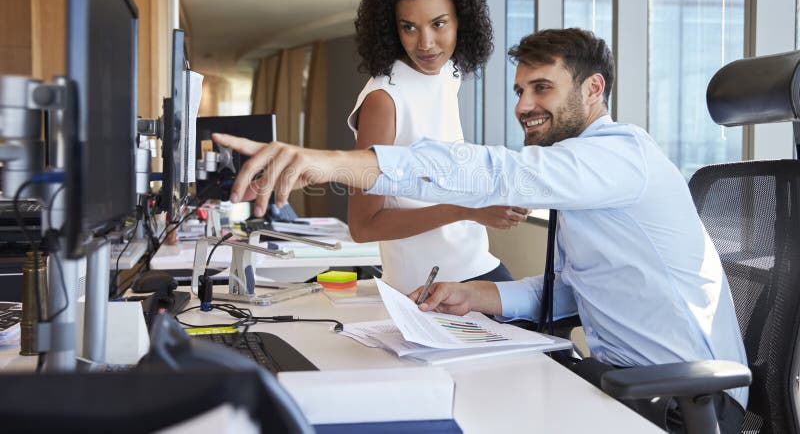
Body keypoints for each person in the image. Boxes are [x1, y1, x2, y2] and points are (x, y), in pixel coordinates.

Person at [212, 28, 748, 433]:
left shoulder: (621, 156)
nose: (522, 107)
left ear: (594, 89)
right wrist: (478, 295)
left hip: (683, 399)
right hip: (622, 382)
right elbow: (578, 287)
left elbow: (498, 172)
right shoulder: (580, 171)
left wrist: (335, 164)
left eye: (541, 88)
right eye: (519, 90)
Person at [345, 0, 524, 293]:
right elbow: (363, 226)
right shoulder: (384, 100)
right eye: (408, 27)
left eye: (438, 24)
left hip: (476, 264)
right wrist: (468, 209)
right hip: (427, 289)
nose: (425, 43)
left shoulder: (447, 72)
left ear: (461, 22)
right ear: (391, 28)